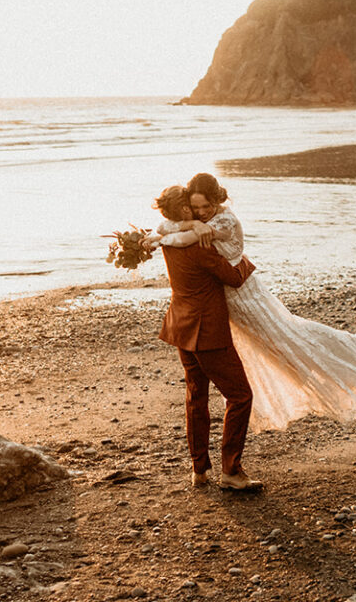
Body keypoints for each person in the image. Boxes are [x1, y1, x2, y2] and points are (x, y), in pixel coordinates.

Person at [147, 174, 356, 436]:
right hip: (225, 300)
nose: (202, 213)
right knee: (270, 349)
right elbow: (170, 229)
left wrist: (164, 237)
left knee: (289, 337)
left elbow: (182, 239)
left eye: (207, 206)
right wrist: (190, 225)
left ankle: (352, 359)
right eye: (196, 208)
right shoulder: (197, 226)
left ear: (217, 200)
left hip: (245, 297)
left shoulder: (224, 221)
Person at [150, 185, 262, 491]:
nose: (198, 212)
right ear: (185, 210)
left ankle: (199, 469)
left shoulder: (168, 241)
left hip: (180, 326)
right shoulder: (200, 246)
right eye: (192, 206)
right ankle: (231, 471)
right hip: (207, 332)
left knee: (196, 396)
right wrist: (246, 261)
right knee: (240, 396)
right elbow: (234, 278)